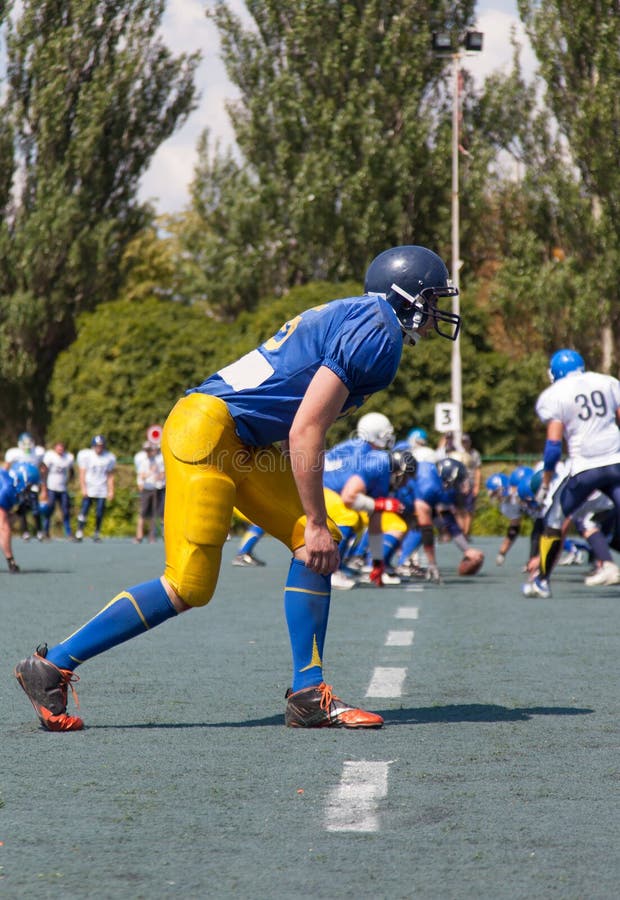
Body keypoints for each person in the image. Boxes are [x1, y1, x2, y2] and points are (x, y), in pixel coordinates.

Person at [14, 243, 460, 732]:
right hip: (210, 430)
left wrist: (312, 522)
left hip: (243, 437)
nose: (436, 309)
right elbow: (306, 429)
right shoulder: (378, 330)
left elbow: (294, 420)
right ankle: (52, 666)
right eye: (432, 297)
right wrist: (311, 519)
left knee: (319, 542)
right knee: (190, 585)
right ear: (408, 294)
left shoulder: (356, 315)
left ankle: (309, 694)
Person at [522, 349, 620, 598]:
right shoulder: (606, 381)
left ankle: (541, 581)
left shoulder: (554, 395)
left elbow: (553, 447)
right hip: (617, 462)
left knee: (554, 521)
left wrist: (546, 480)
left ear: (554, 372)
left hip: (585, 469)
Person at [323, 411, 406, 589]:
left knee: (360, 517)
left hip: (318, 491)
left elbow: (375, 519)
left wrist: (377, 563)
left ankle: (339, 563)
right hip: (321, 493)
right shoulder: (378, 460)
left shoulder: (354, 447)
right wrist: (379, 504)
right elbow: (348, 496)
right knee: (349, 516)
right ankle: (330, 571)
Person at [75, 435, 116, 542]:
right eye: (97, 446)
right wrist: (83, 487)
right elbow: (82, 473)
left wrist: (111, 490)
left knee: (99, 512)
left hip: (102, 489)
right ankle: (79, 532)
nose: (99, 448)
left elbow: (110, 475)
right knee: (84, 511)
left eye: (101, 446)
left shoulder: (109, 457)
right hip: (90, 487)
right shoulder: (87, 455)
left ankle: (97, 532)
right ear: (93, 446)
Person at [4, 432, 45, 540]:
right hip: (19, 484)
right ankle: (25, 531)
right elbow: (5, 469)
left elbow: (42, 468)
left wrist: (42, 482)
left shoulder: (37, 452)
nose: (27, 445)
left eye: (29, 442)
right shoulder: (14, 453)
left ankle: (39, 531)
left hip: (33, 483)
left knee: (35, 508)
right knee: (22, 506)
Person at [1, 462, 41, 572]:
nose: (29, 490)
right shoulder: (7, 489)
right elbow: (4, 527)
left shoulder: (8, 483)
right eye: (29, 486)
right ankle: (10, 561)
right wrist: (11, 561)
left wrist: (18, 513)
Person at [41, 441, 75, 539]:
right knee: (49, 510)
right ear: (55, 448)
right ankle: (46, 531)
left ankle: (68, 533)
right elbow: (43, 471)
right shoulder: (50, 456)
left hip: (63, 489)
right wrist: (44, 487)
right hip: (51, 488)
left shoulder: (68, 458)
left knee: (65, 511)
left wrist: (69, 482)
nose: (60, 450)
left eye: (62, 447)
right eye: (58, 447)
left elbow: (72, 471)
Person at [133, 440, 166, 543]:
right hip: (147, 488)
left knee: (154, 513)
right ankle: (139, 536)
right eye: (147, 450)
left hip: (155, 488)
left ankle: (152, 536)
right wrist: (150, 474)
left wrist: (158, 476)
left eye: (150, 450)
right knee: (143, 513)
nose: (149, 452)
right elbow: (141, 475)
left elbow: (162, 474)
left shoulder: (158, 461)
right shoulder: (143, 461)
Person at [451, 433, 482, 536]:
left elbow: (478, 470)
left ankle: (466, 532)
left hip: (471, 483)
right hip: (458, 485)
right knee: (458, 509)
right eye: (463, 442)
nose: (465, 444)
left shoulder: (474, 454)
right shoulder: (456, 454)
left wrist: (477, 486)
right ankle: (460, 531)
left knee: (469, 510)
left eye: (466, 441)